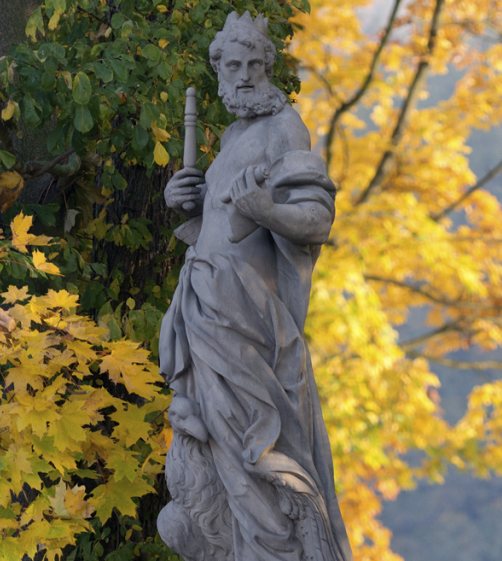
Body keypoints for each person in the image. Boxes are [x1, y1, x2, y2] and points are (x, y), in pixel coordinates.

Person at [154, 11, 352, 561]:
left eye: (252, 66)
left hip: (249, 325)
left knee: (256, 451)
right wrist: (186, 204)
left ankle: (275, 551)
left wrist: (266, 208)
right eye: (231, 67)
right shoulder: (235, 136)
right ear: (220, 74)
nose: (242, 77)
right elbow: (216, 230)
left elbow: (314, 218)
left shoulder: (284, 127)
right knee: (218, 449)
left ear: (268, 68)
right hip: (207, 316)